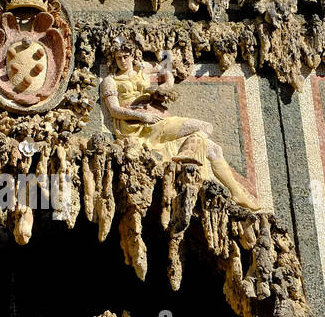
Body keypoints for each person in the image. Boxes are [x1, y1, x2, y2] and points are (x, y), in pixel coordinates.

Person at [99, 40, 260, 210]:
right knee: (204, 132)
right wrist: (142, 116)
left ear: (132, 56)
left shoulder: (143, 68)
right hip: (136, 127)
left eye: (125, 57)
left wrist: (166, 86)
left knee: (212, 146)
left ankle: (236, 191)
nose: (122, 61)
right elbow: (115, 110)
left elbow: (166, 58)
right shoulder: (110, 80)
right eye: (118, 58)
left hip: (158, 119)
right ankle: (188, 153)